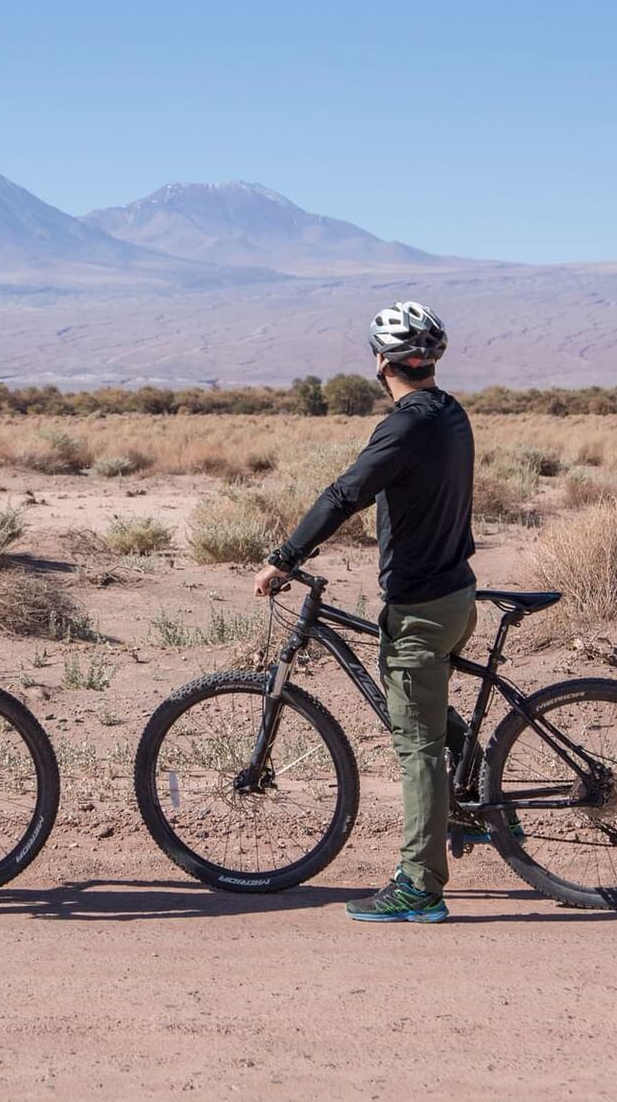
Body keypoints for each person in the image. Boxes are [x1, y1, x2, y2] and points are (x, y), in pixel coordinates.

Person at [254, 302, 477, 923]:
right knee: (424, 710)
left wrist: (284, 557)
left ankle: (420, 886)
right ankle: (476, 805)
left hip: (423, 605)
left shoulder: (404, 426)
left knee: (416, 744)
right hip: (456, 595)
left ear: (380, 361)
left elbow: (345, 493)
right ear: (432, 358)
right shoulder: (450, 413)